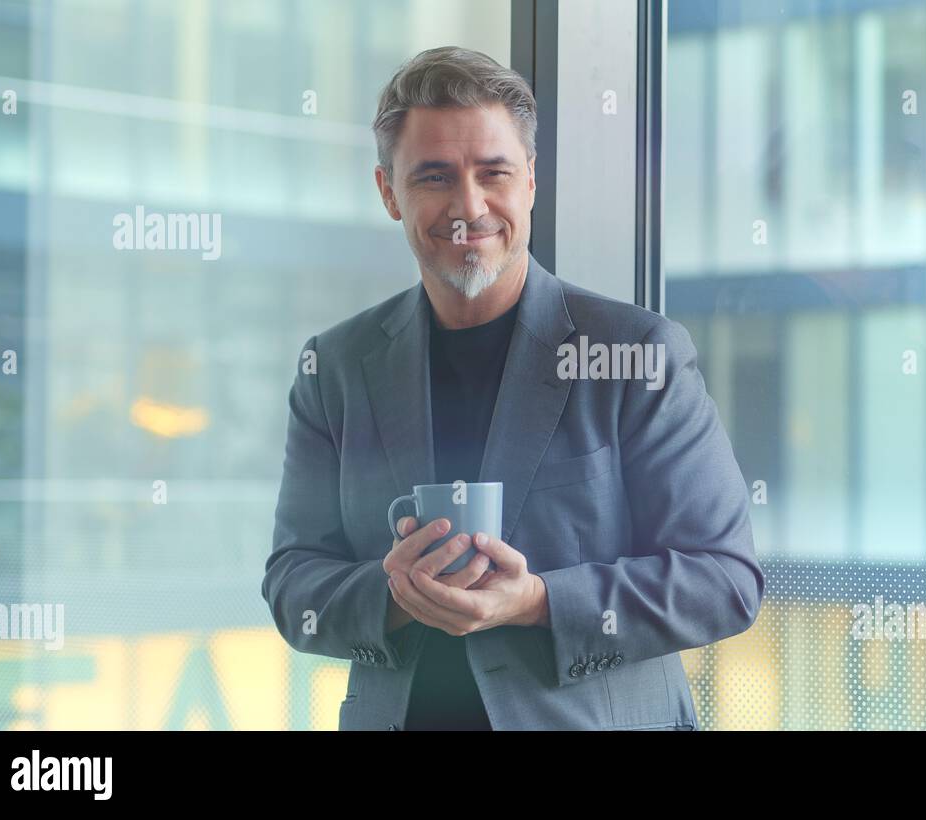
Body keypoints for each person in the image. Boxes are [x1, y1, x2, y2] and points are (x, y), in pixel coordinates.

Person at [261, 46, 763, 730]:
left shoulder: (636, 353)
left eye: (493, 173)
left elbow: (726, 582)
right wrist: (397, 595)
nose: (468, 207)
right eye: (434, 178)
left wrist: (536, 601)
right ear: (388, 192)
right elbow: (294, 585)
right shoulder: (337, 367)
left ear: (529, 180)